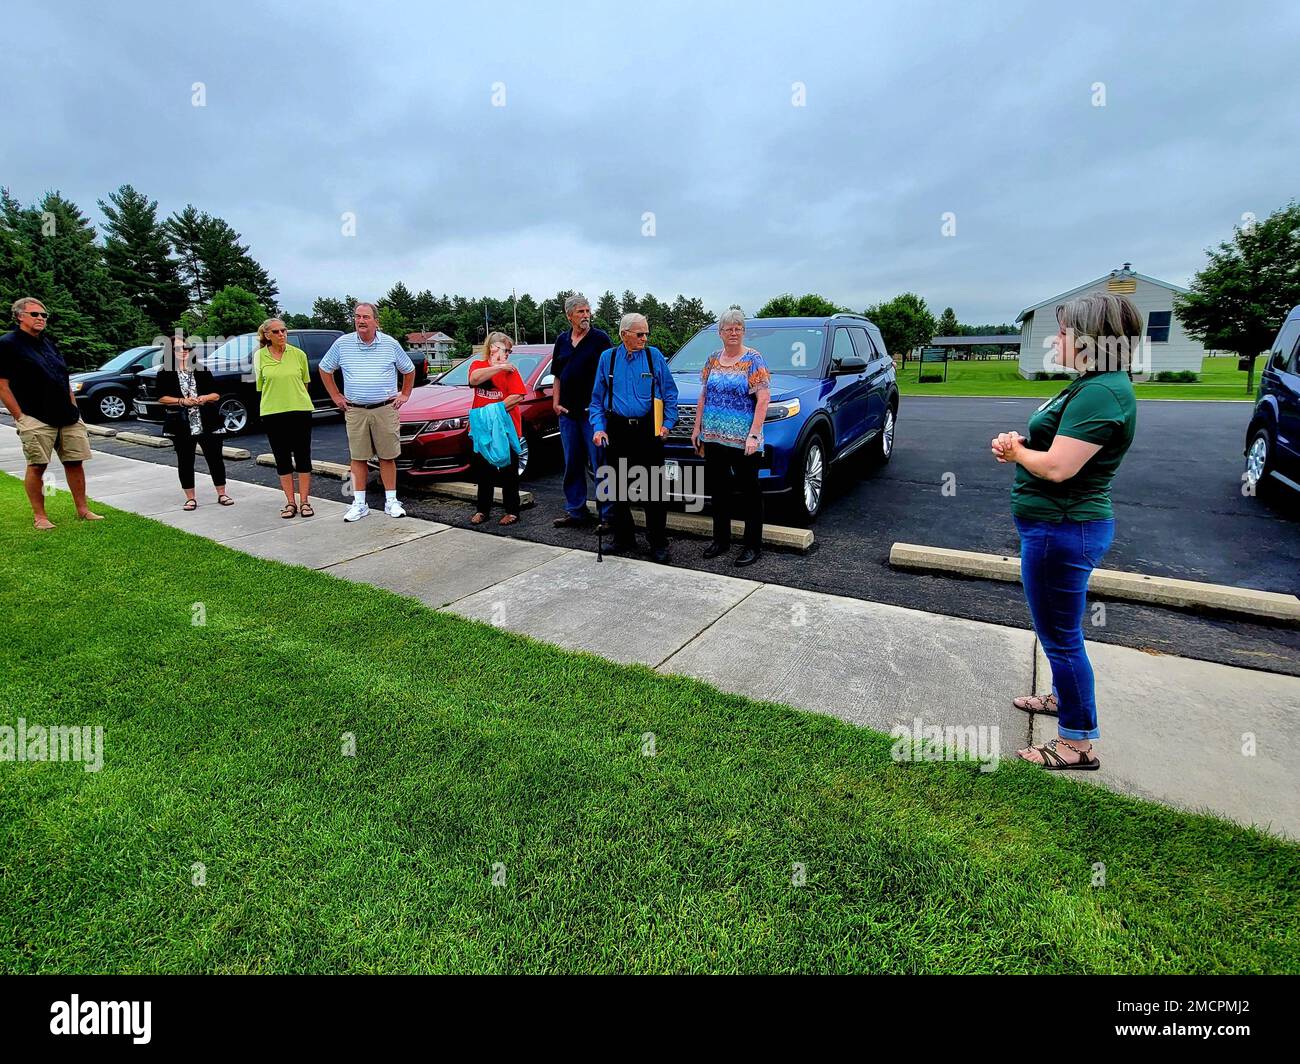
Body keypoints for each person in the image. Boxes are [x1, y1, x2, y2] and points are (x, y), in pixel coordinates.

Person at [992, 292, 1140, 771]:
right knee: (1057, 630)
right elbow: (1052, 446)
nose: (1056, 339)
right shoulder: (1090, 385)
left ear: (1091, 339)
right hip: (1056, 526)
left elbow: (1057, 468)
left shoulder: (1102, 392)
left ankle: (1077, 743)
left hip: (1064, 528)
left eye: (1063, 331)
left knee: (1060, 636)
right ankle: (1063, 698)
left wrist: (1019, 455)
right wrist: (1017, 443)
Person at [0, 297, 103, 528]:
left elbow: (62, 378)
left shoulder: (48, 342)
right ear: (19, 316)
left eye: (44, 315)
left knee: (75, 461)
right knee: (38, 466)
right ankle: (40, 517)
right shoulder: (7, 344)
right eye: (35, 314)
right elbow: (2, 384)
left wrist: (74, 407)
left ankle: (83, 510)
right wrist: (19, 416)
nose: (40, 319)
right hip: (34, 415)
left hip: (68, 415)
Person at [589, 313, 679, 564]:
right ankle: (623, 538)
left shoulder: (654, 357)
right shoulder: (608, 359)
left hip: (648, 429)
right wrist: (598, 427)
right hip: (617, 429)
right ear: (624, 334)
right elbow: (596, 399)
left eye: (646, 333)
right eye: (640, 334)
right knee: (617, 488)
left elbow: (670, 393)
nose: (644, 338)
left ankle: (658, 542)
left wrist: (667, 424)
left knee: (654, 491)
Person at [319, 302, 415, 522]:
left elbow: (408, 370)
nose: (360, 321)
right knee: (358, 457)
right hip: (355, 410)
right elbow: (325, 369)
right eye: (357, 317)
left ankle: (391, 501)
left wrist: (405, 394)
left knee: (387, 456)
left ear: (376, 321)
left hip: (384, 408)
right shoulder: (342, 344)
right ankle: (359, 504)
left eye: (365, 317)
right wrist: (335, 396)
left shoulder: (390, 344)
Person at [691, 308, 770, 567]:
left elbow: (763, 398)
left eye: (738, 328)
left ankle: (752, 546)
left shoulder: (753, 359)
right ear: (720, 333)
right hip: (713, 437)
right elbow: (704, 395)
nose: (733, 332)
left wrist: (754, 434)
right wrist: (697, 428)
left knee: (749, 493)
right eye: (728, 328)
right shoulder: (713, 358)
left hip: (742, 439)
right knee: (719, 491)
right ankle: (721, 540)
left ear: (743, 331)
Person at [549, 294, 613, 531]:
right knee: (572, 463)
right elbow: (557, 375)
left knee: (600, 464)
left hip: (592, 413)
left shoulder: (600, 339)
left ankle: (608, 515)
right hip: (567, 413)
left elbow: (610, 374)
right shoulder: (562, 341)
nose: (586, 316)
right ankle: (576, 511)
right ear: (569, 316)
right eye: (580, 312)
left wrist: (604, 407)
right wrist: (555, 403)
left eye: (587, 311)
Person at [157, 334, 233, 510]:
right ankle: (190, 498)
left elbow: (216, 394)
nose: (184, 351)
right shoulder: (165, 373)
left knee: (215, 458)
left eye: (187, 348)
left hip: (208, 420)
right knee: (185, 460)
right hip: (181, 422)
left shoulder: (201, 369)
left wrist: (204, 398)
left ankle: (222, 493)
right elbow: (161, 397)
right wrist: (181, 401)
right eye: (178, 349)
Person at [255, 318, 315, 518]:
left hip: (299, 411)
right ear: (267, 335)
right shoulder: (260, 356)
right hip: (273, 412)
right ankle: (290, 502)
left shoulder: (299, 355)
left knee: (303, 457)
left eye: (284, 330)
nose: (281, 334)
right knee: (282, 459)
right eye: (276, 332)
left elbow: (305, 382)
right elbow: (261, 386)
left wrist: (297, 400)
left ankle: (305, 501)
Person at [467, 331, 526, 526]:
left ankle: (512, 510)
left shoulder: (512, 371)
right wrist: (498, 366)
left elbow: (518, 395)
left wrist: (492, 413)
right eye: (504, 349)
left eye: (509, 351)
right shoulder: (479, 365)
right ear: (492, 348)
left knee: (509, 472)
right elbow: (474, 379)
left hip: (505, 429)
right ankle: (483, 509)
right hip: (482, 430)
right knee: (483, 472)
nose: (508, 354)